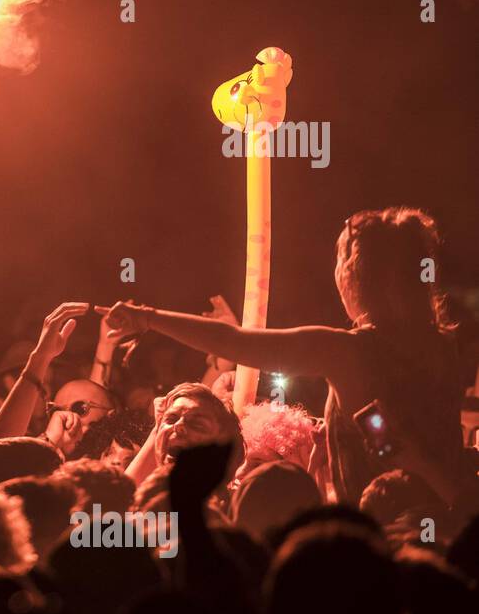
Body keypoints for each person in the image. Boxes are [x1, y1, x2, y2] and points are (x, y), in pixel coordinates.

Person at [102, 207, 468, 511]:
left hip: (387, 528)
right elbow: (387, 429)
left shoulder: (347, 350)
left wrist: (147, 317)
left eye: (341, 259)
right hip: (445, 521)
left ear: (360, 272)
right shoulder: (442, 346)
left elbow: (237, 342)